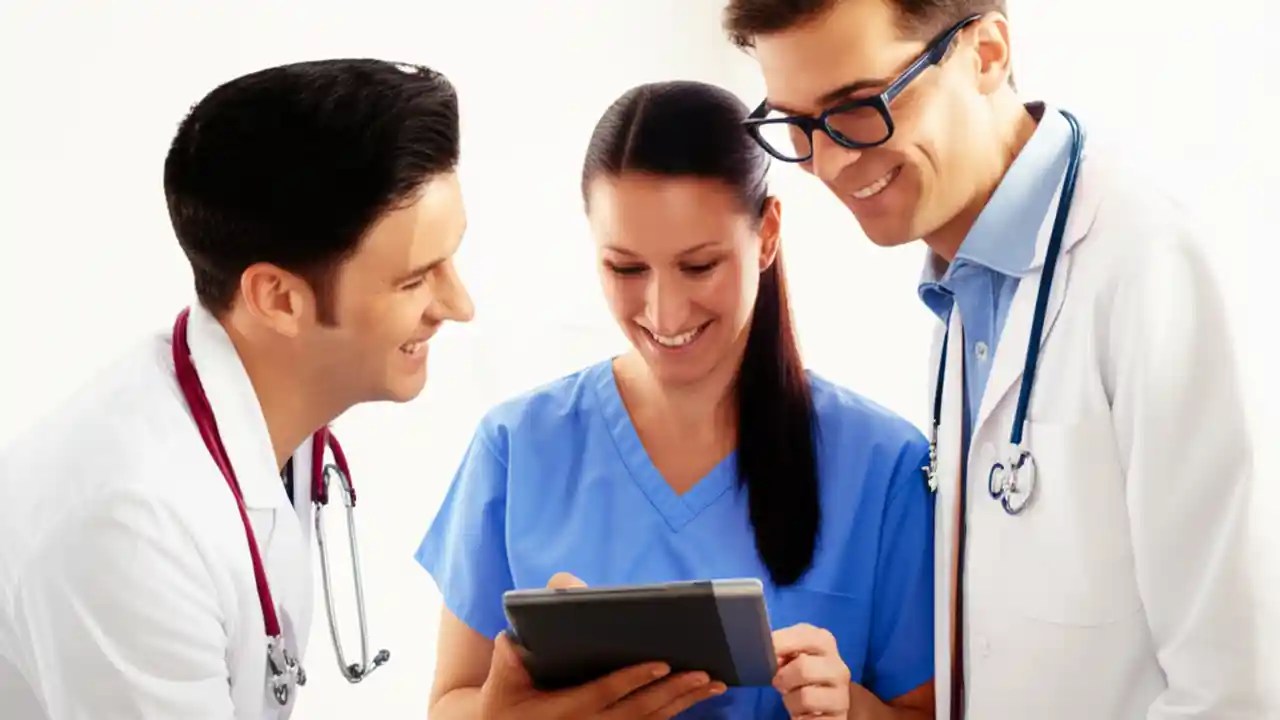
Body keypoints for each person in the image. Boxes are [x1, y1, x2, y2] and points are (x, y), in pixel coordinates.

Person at [720, 0, 1264, 718]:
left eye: (858, 105)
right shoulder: (963, 291)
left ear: (986, 54)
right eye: (796, 125)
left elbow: (1236, 687)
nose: (829, 161)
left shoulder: (1148, 267)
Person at [416, 80, 936, 719]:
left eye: (699, 266)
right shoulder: (517, 447)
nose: (664, 312)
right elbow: (452, 704)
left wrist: (846, 706)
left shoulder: (883, 466)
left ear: (767, 235)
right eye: (626, 269)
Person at [0, 59, 474, 719]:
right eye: (416, 278)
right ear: (277, 298)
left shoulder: (268, 423)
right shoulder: (128, 530)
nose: (460, 304)